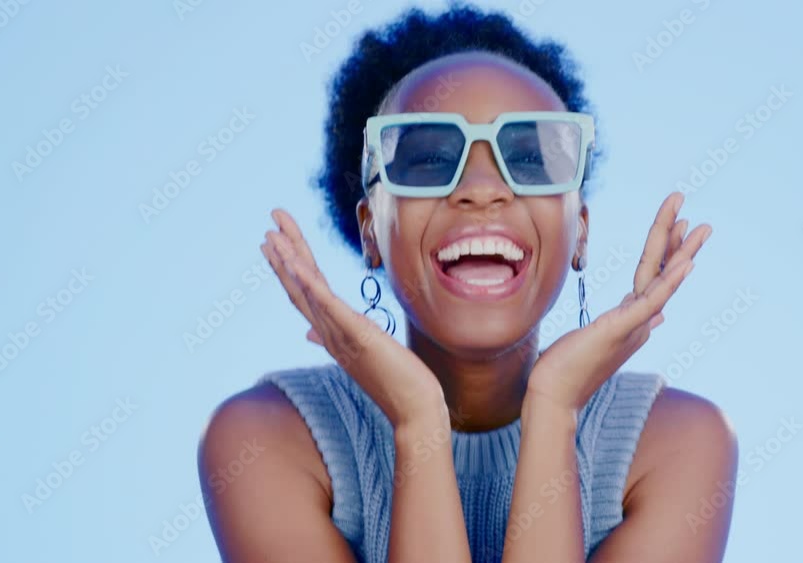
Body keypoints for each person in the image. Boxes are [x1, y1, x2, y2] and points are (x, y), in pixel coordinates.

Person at [198, 4, 737, 562]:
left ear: (579, 232)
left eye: (528, 159)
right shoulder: (262, 436)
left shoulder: (680, 442)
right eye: (431, 160)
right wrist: (417, 421)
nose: (482, 189)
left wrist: (555, 408)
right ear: (370, 231)